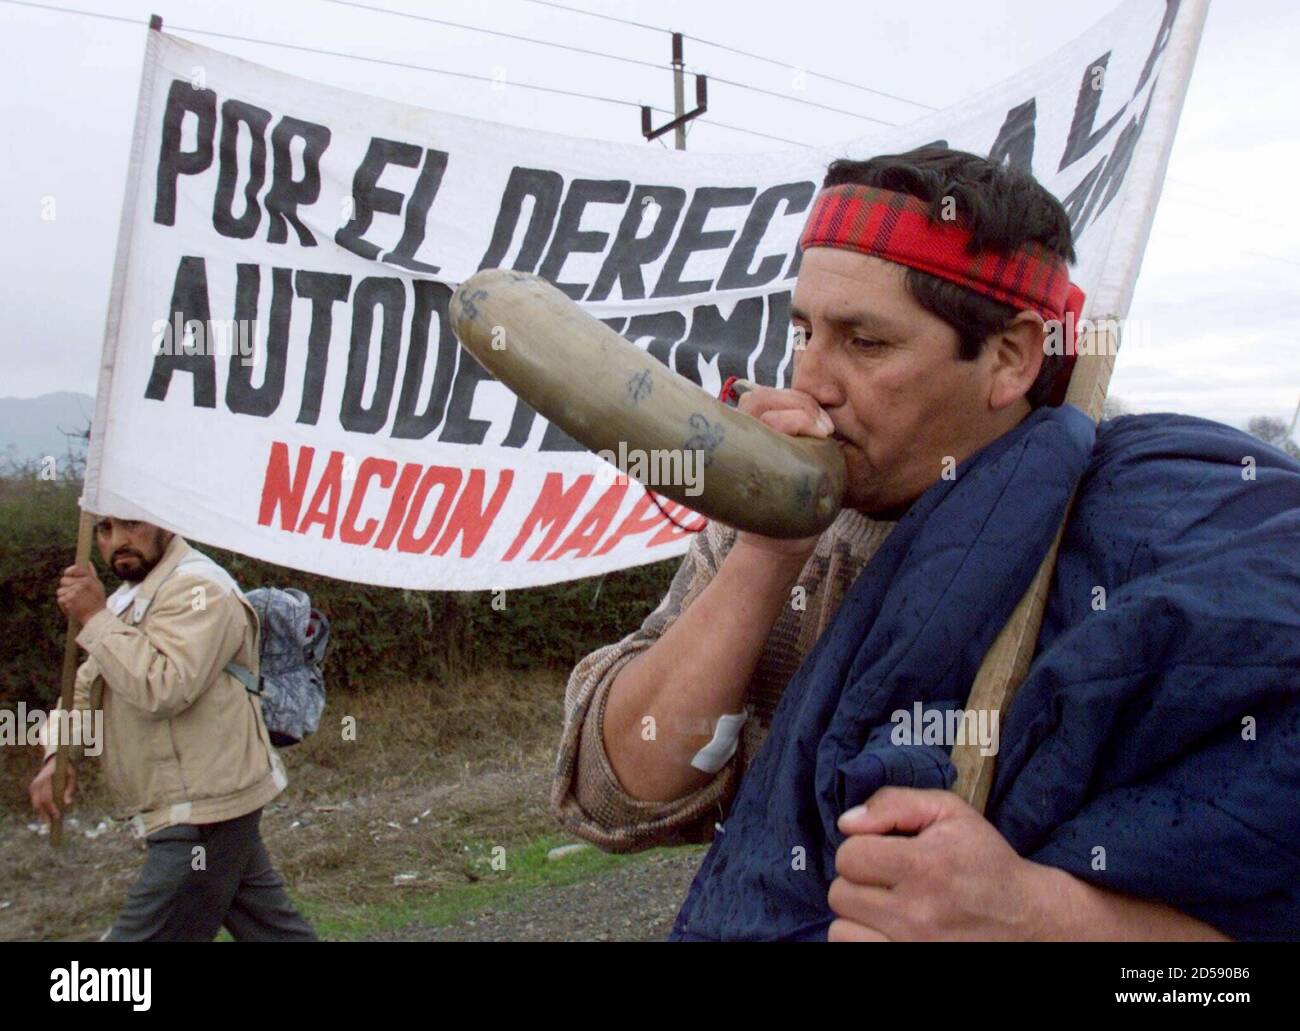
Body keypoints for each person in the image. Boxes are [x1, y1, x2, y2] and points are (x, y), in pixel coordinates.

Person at [551, 146, 1300, 941]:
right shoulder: (774, 525)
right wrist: (767, 556)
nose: (812, 378)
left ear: (1009, 358)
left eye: (864, 342)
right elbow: (616, 795)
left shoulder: (1154, 530)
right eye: (803, 330)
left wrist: (1035, 915)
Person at [30, 515, 317, 941]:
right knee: (273, 932)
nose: (118, 541)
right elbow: (89, 683)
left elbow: (165, 686)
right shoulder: (133, 596)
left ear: (164, 521)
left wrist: (93, 616)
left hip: (201, 810)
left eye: (131, 524)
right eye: (105, 530)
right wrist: (59, 754)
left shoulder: (201, 589)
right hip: (201, 804)